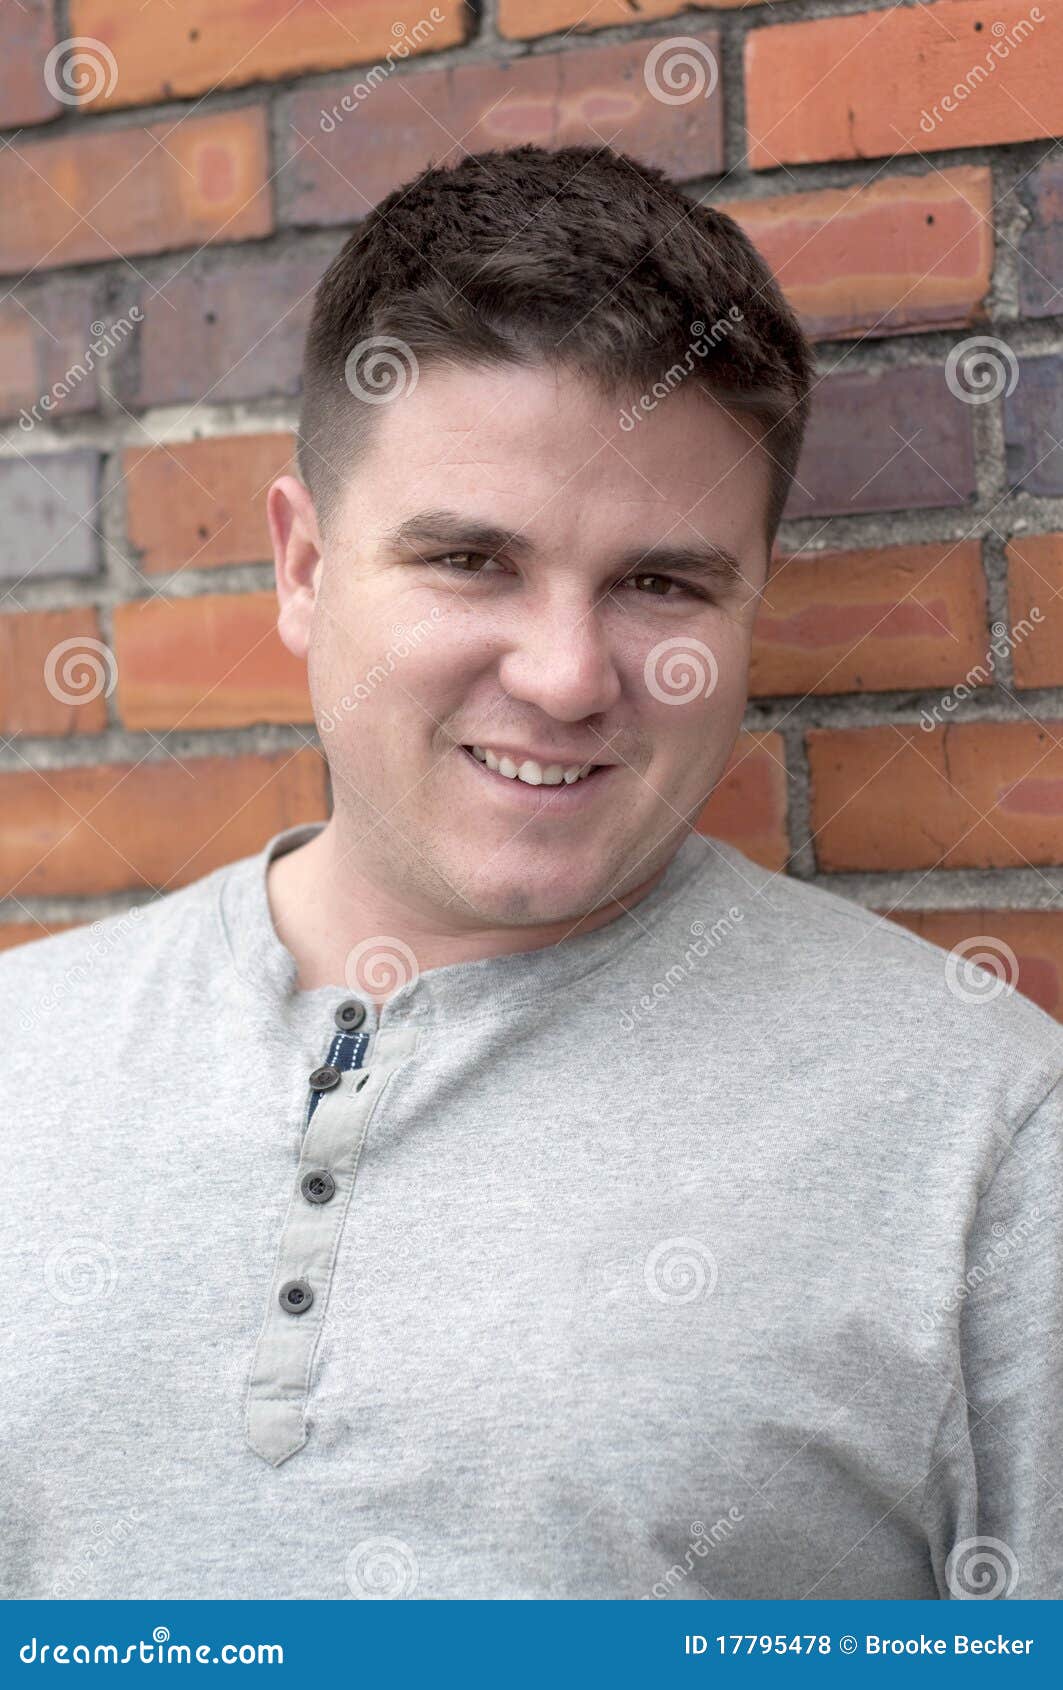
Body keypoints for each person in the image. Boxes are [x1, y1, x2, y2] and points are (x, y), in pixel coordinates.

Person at [1, 144, 1060, 1603]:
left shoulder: (984, 1129)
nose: (566, 677)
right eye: (470, 561)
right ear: (303, 567)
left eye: (660, 583)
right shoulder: (23, 1059)